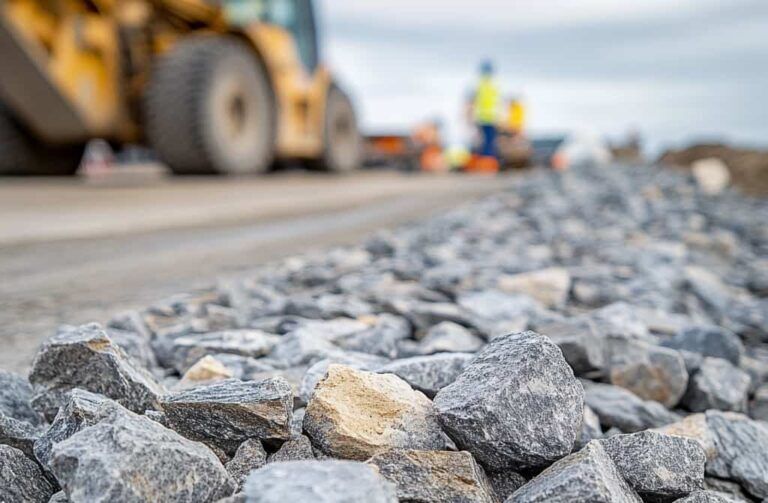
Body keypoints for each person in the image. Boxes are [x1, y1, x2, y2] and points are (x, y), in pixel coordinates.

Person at [473, 60, 501, 160]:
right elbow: (497, 102)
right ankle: (489, 160)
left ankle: (487, 159)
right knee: (489, 141)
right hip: (491, 117)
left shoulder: (481, 85)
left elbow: (476, 102)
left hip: (482, 117)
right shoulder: (493, 85)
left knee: (485, 141)